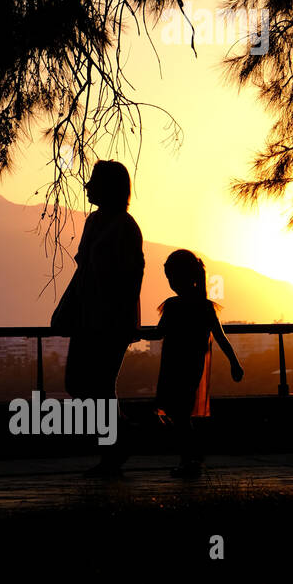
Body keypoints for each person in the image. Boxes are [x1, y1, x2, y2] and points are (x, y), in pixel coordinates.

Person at [52, 160, 144, 476]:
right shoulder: (94, 222)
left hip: (110, 321)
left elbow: (130, 278)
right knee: (79, 383)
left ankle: (112, 452)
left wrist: (122, 319)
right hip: (87, 317)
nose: (88, 186)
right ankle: (118, 436)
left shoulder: (126, 227)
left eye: (93, 181)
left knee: (100, 385)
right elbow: (84, 271)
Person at [152, 249, 243, 478]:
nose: (172, 283)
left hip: (174, 366)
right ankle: (191, 458)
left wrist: (130, 333)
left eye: (173, 277)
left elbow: (158, 334)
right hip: (192, 366)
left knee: (178, 415)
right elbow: (220, 337)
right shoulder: (204, 306)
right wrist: (234, 362)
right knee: (181, 414)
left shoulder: (173, 306)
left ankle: (190, 459)